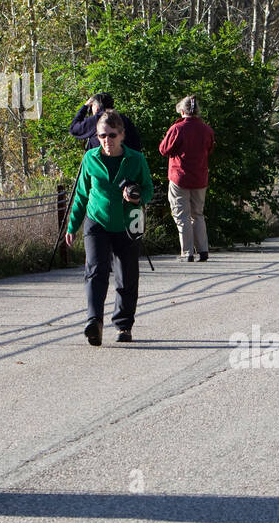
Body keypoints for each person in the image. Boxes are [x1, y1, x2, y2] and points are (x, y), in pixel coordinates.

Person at [64, 111, 153, 345]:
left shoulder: (136, 159)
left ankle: (123, 326)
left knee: (126, 275)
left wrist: (136, 198)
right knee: (95, 271)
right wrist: (72, 225)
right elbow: (82, 194)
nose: (107, 140)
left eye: (112, 135)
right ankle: (94, 322)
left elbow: (148, 190)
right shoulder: (90, 159)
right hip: (97, 221)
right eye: (102, 135)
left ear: (122, 135)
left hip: (127, 222)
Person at [159, 95, 215, 262]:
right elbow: (210, 148)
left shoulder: (177, 129)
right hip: (200, 177)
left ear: (182, 111)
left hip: (180, 176)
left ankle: (187, 252)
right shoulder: (206, 129)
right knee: (198, 214)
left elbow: (163, 149)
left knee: (181, 214)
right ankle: (203, 250)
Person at [70, 92, 143, 152]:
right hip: (127, 163)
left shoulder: (96, 119)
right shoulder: (125, 119)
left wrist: (85, 106)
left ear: (96, 107)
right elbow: (136, 144)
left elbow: (74, 128)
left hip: (100, 165)